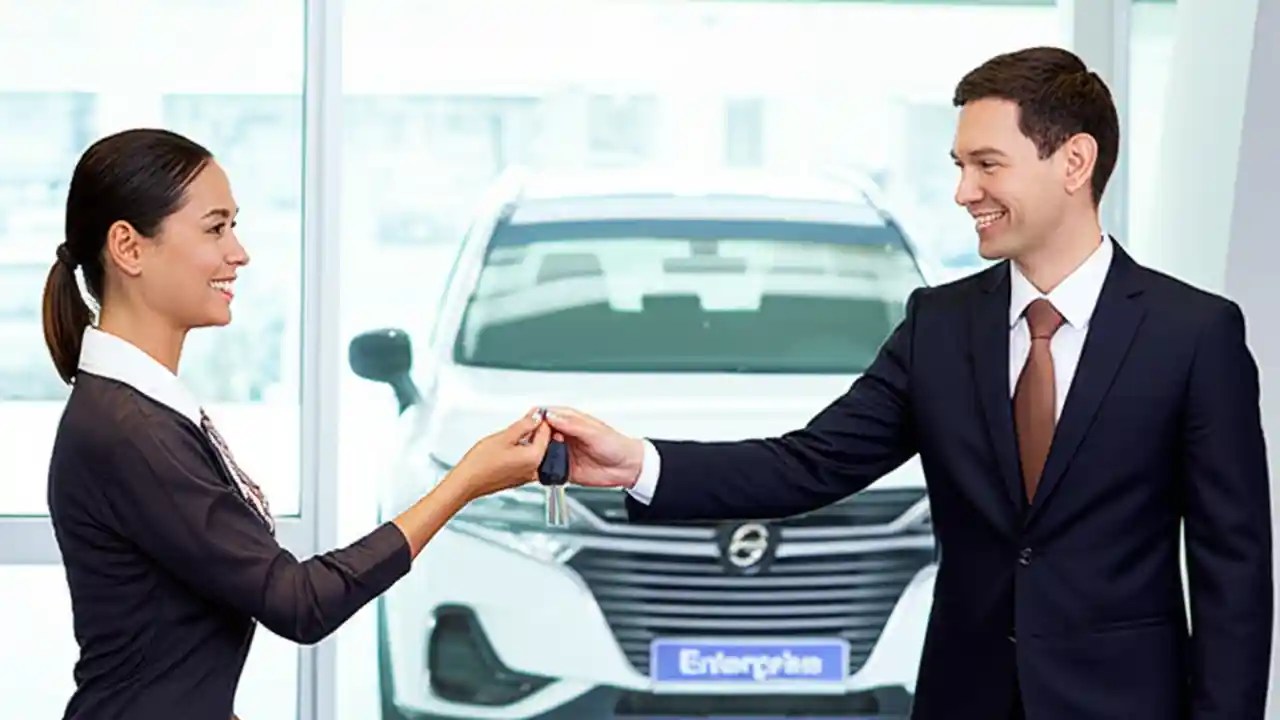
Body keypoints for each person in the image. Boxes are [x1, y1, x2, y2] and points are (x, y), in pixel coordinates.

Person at [543, 46, 1273, 720]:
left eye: (988, 164)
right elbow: (809, 463)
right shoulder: (941, 325)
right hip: (966, 698)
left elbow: (1233, 568)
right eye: (959, 165)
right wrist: (638, 463)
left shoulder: (1193, 334)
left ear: (1074, 161)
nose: (963, 192)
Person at [42, 128, 554, 720]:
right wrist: (464, 482)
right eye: (215, 228)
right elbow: (299, 602)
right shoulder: (129, 431)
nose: (239, 252)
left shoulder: (140, 411)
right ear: (129, 248)